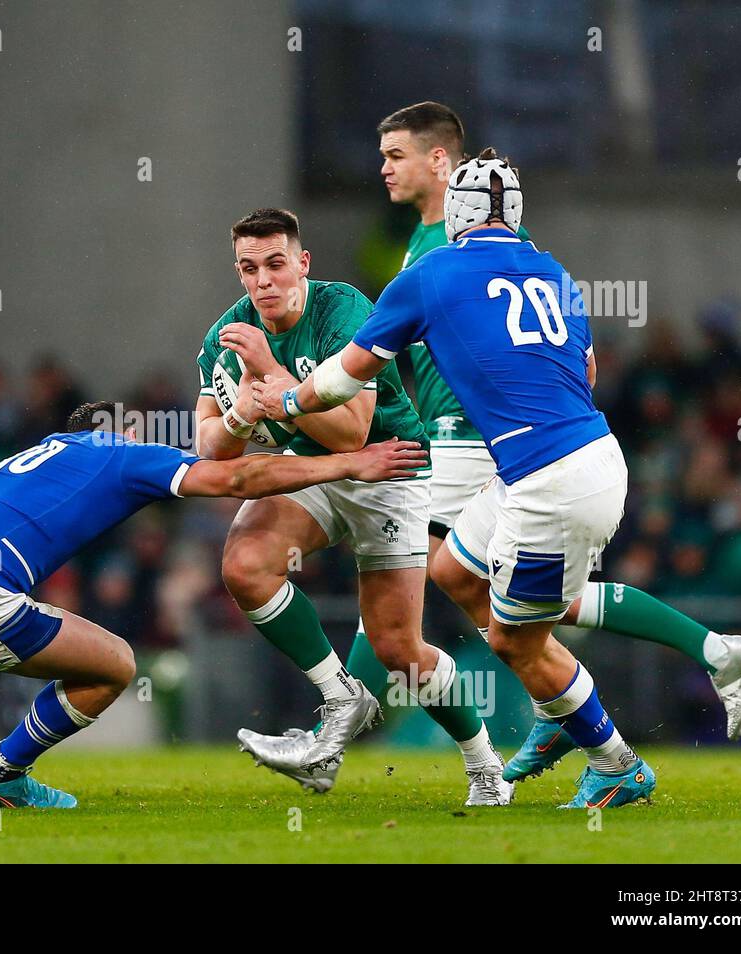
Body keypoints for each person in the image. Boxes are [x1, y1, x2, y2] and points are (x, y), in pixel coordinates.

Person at [240, 103, 741, 793]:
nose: (384, 168)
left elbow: (346, 373)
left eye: (396, 155)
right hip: (565, 459)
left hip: (500, 459)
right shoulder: (548, 269)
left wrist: (281, 398)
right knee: (462, 581)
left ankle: (610, 759)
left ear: (446, 176)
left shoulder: (434, 267)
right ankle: (686, 658)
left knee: (466, 611)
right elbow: (586, 373)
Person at [0, 401, 426, 810]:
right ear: (113, 428)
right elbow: (233, 477)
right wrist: (348, 465)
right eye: (134, 425)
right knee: (114, 665)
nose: (145, 433)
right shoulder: (119, 455)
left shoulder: (45, 451)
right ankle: (1, 775)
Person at [198, 209, 513, 805]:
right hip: (313, 473)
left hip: (388, 468)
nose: (264, 280)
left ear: (302, 264)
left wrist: (270, 374)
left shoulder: (343, 308)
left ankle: (485, 766)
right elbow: (210, 450)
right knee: (245, 564)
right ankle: (342, 699)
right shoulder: (227, 332)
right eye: (249, 268)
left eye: (275, 264)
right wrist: (240, 412)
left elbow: (351, 431)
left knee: (399, 649)